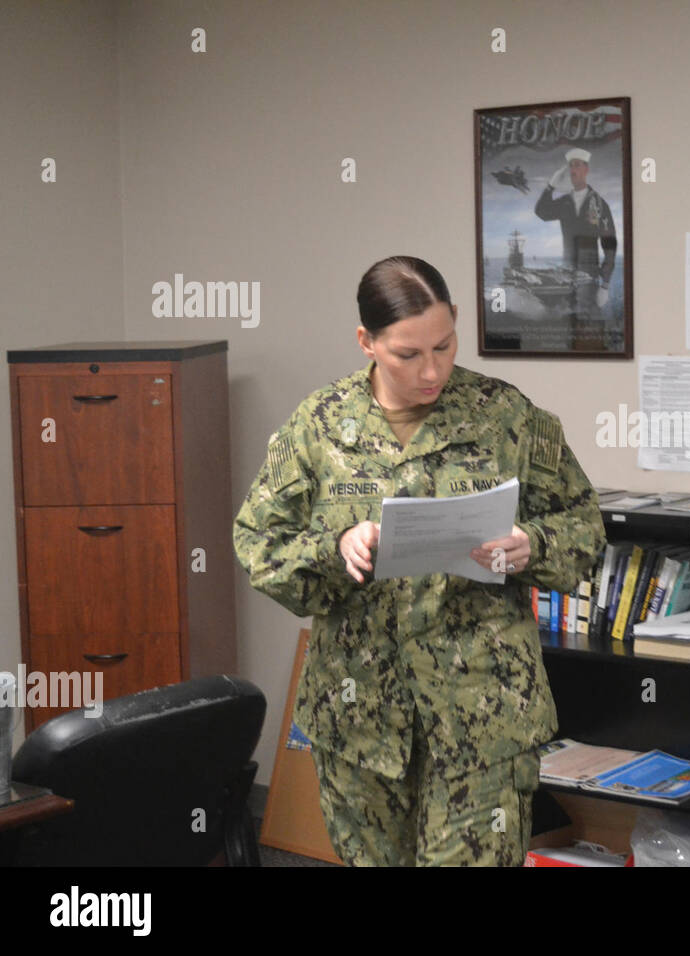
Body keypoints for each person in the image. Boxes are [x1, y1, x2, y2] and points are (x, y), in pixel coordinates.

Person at [233, 256, 605, 866]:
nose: (432, 370)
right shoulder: (319, 426)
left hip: (483, 717)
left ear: (456, 322)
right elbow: (257, 544)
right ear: (367, 343)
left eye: (444, 344)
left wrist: (532, 544)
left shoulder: (507, 416)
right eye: (408, 354)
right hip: (359, 721)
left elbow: (584, 526)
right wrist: (334, 549)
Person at [534, 147, 618, 319]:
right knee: (566, 320)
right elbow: (541, 212)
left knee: (590, 322)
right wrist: (551, 186)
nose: (573, 170)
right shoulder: (565, 202)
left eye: (578, 165)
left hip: (589, 276)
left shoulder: (599, 204)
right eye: (571, 166)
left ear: (586, 169)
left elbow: (609, 243)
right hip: (566, 275)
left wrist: (605, 285)